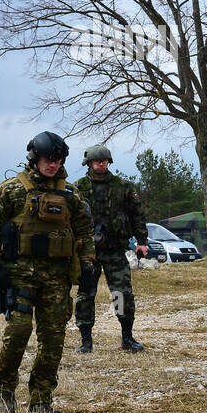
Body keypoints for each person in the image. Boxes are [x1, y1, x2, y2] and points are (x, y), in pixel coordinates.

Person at [0, 131, 96, 413]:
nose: (53, 164)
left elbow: (85, 232)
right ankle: (5, 391)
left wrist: (88, 265)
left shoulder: (71, 194)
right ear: (35, 157)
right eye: (48, 159)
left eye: (58, 160)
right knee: (18, 333)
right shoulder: (11, 190)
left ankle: (40, 403)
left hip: (57, 279)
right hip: (19, 276)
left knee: (53, 340)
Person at [73, 144, 149, 353]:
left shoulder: (122, 187)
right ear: (89, 163)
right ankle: (86, 341)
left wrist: (142, 241)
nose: (101, 163)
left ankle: (127, 337)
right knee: (86, 295)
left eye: (104, 160)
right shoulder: (77, 189)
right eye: (97, 161)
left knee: (122, 294)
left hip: (115, 250)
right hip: (88, 252)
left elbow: (137, 215)